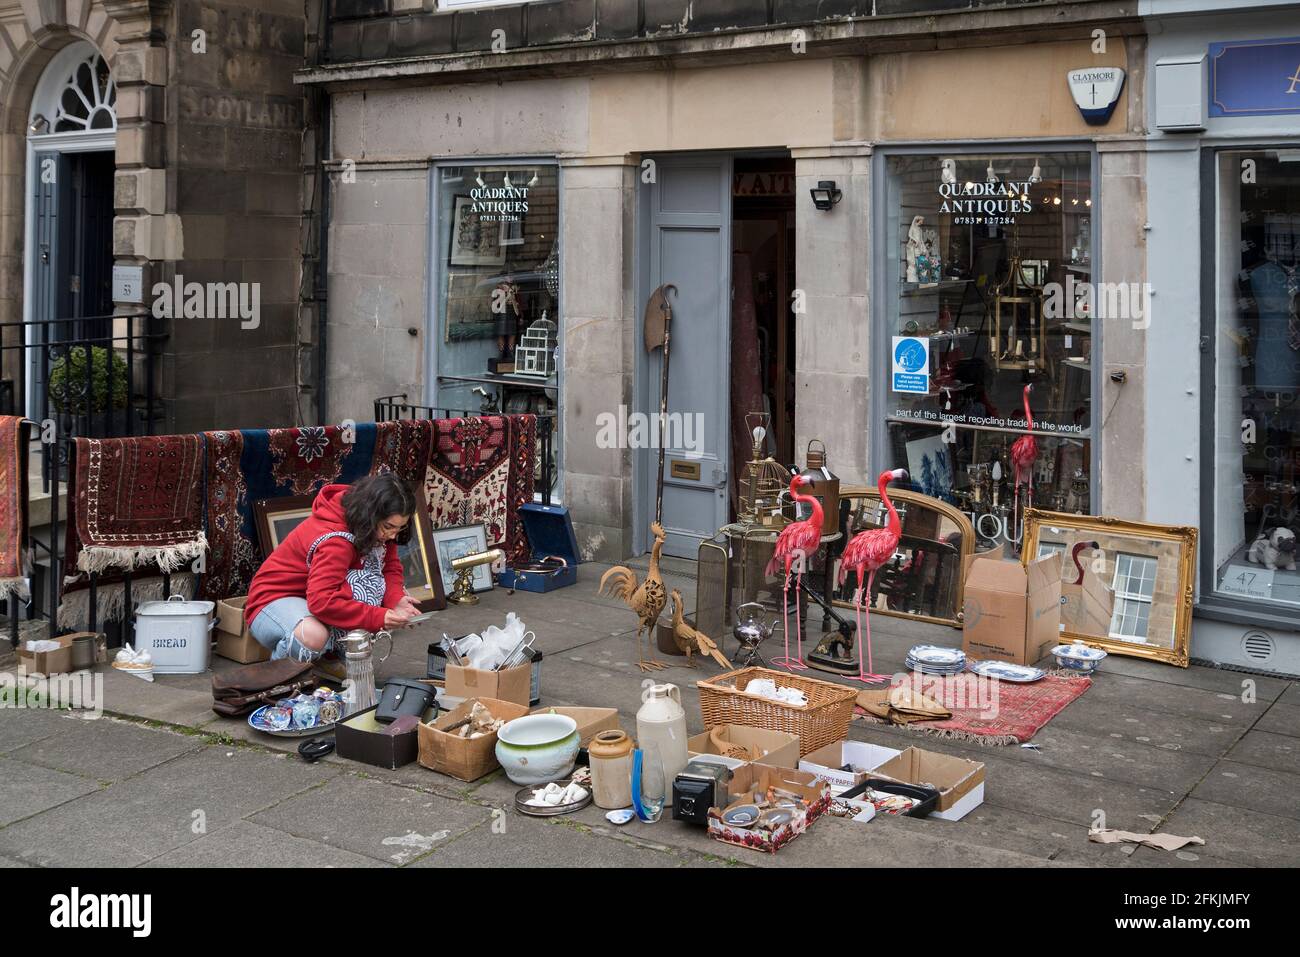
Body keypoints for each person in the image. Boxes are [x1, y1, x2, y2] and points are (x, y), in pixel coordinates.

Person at [245, 473, 422, 666]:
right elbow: (322, 601)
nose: (392, 535)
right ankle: (276, 680)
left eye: (399, 528)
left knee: (375, 591)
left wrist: (396, 600)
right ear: (371, 514)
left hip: (309, 597)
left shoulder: (376, 528)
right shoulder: (336, 541)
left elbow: (389, 567)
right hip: (271, 603)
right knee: (313, 636)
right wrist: (379, 617)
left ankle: (327, 661)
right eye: (388, 527)